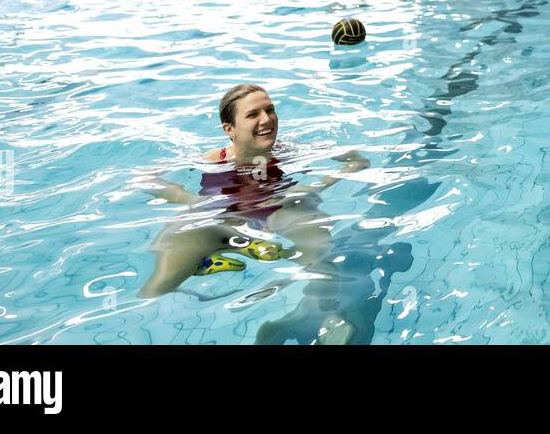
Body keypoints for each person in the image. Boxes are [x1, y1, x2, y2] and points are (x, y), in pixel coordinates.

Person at [136, 84, 376, 342]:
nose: (267, 120)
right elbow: (144, 179)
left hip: (278, 212)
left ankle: (319, 318)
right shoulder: (214, 159)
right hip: (219, 220)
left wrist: (315, 187)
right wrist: (191, 200)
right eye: (253, 114)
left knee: (322, 259)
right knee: (158, 288)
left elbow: (358, 162)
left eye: (270, 110)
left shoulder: (289, 152)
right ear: (230, 129)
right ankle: (217, 254)